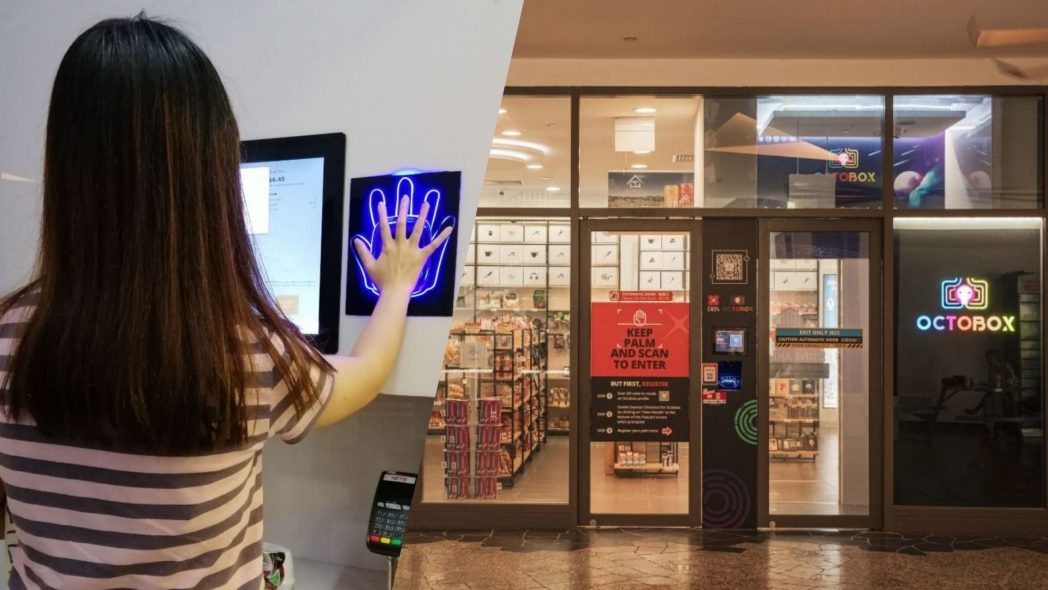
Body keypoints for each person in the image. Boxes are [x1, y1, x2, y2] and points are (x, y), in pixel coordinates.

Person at [0, 15, 450, 589]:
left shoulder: (8, 334)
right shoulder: (250, 353)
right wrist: (396, 288)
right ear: (210, 178)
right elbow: (365, 373)